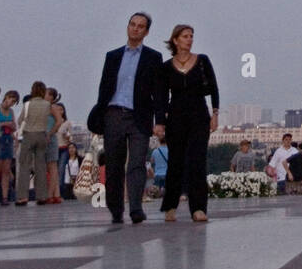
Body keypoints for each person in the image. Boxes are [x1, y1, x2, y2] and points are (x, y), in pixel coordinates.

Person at [93, 12, 165, 225]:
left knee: (136, 164)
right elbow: (103, 89)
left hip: (139, 117)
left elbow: (159, 92)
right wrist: (100, 117)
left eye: (140, 26)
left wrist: (160, 121)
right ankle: (116, 209)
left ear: (146, 32)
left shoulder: (153, 58)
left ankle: (135, 208)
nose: (135, 29)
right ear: (127, 27)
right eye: (132, 24)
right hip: (113, 115)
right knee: (114, 165)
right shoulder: (112, 56)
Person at [156, 24, 219, 223]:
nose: (189, 39)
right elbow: (161, 96)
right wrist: (161, 122)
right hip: (176, 117)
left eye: (191, 36)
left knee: (197, 161)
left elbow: (214, 87)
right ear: (175, 40)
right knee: (175, 162)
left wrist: (215, 113)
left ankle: (198, 208)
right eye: (185, 36)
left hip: (199, 115)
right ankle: (170, 206)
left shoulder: (202, 61)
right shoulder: (166, 67)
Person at [16, 83, 49, 205]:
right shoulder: (47, 105)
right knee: (40, 167)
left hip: (29, 135)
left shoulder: (27, 104)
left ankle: (22, 197)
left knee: (25, 166)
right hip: (42, 135)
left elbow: (20, 121)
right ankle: (41, 196)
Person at [44, 89, 65, 204]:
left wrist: (50, 133)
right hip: (48, 138)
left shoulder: (52, 107)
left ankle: (50, 194)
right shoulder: (48, 107)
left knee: (52, 167)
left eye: (46, 93)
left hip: (50, 139)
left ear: (51, 97)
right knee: (52, 168)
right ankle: (55, 194)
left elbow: (59, 121)